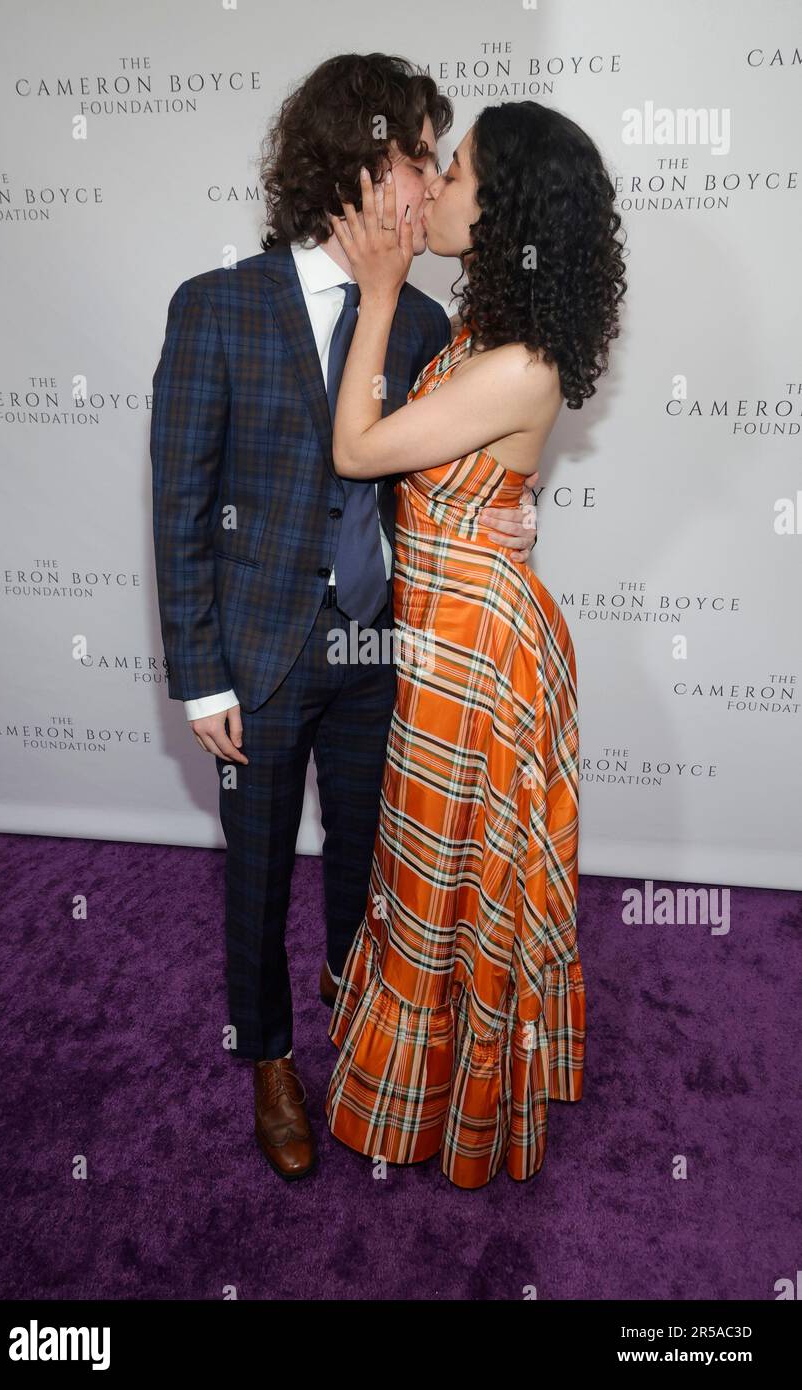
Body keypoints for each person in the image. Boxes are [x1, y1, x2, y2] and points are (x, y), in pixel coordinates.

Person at [149, 55, 538, 1183]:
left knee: (367, 862)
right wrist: (201, 675)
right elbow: (181, 502)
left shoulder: (421, 324)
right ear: (365, 168)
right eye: (422, 157)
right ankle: (268, 1056)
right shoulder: (218, 306)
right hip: (261, 659)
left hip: (381, 652)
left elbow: (452, 475)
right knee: (257, 870)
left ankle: (355, 1008)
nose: (431, 185)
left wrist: (510, 523)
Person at [324, 100, 627, 1189]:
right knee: (428, 877)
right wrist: (502, 509)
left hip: (480, 662)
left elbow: (358, 448)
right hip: (447, 643)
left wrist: (379, 291)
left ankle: (456, 1104)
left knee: (458, 882)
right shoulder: (483, 340)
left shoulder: (517, 361)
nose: (437, 191)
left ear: (500, 211)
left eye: (454, 175)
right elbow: (464, 477)